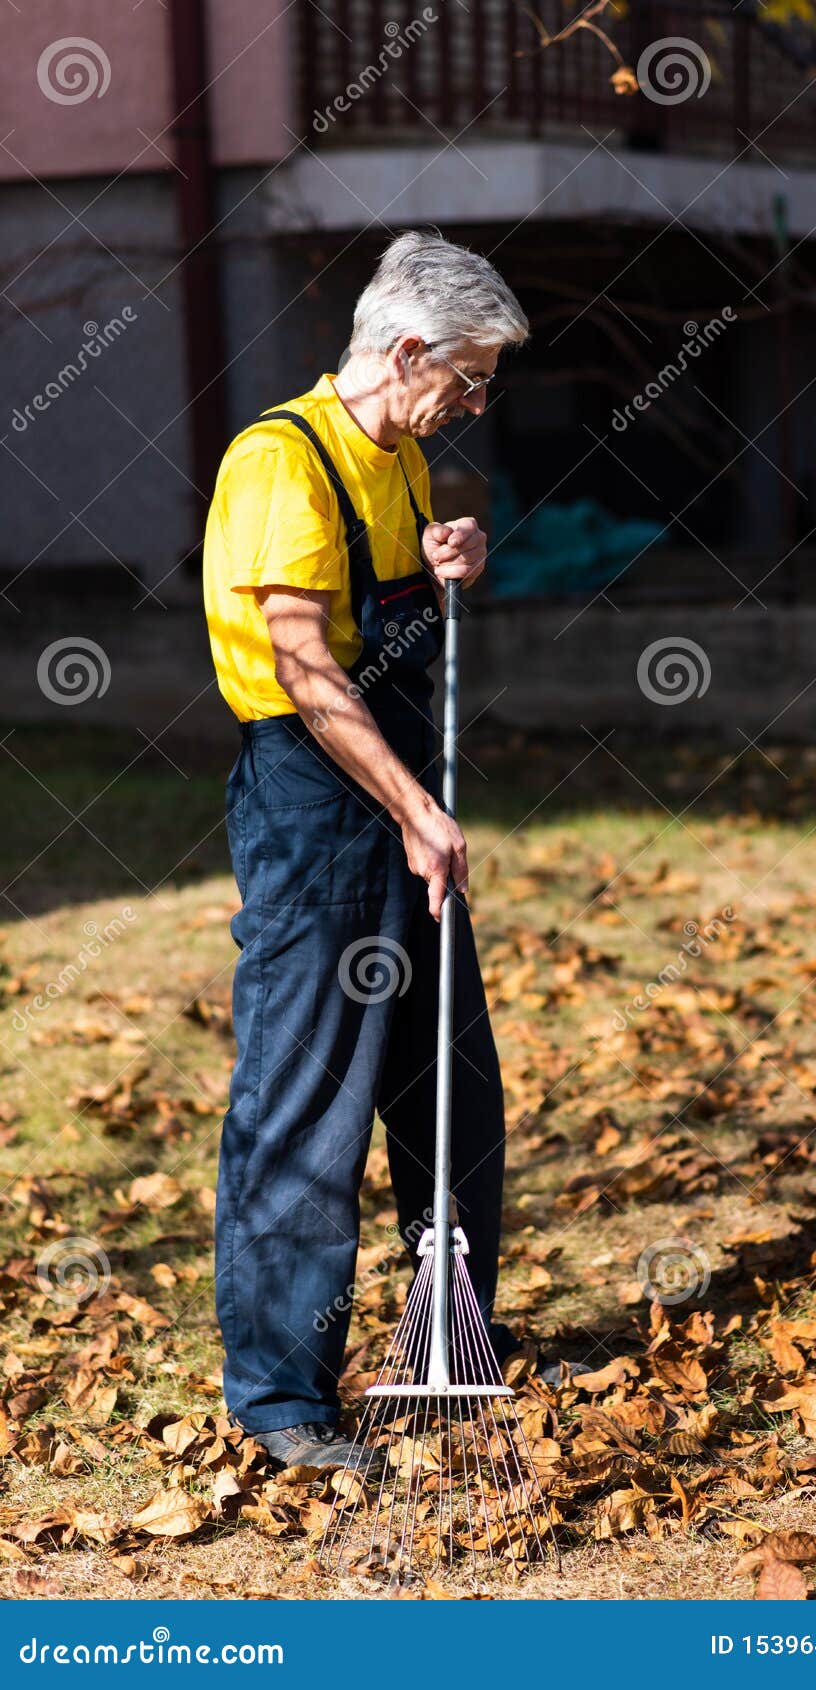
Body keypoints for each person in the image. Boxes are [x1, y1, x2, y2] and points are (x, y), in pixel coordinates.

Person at [202, 231, 528, 1472]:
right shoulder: (277, 464)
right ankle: (283, 1396)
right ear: (406, 353)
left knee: (450, 1079)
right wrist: (410, 807)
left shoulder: (394, 459)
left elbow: (386, 603)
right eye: (471, 377)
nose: (475, 402)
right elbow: (302, 664)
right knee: (309, 1088)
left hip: (396, 801)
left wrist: (452, 558)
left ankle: (453, 1336)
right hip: (315, 807)